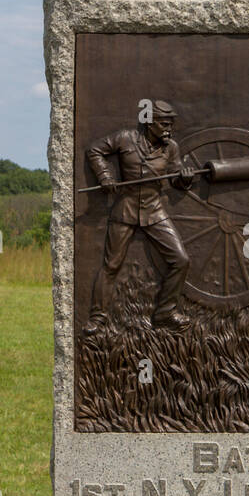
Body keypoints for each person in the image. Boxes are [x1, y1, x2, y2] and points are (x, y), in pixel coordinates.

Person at [84, 101, 194, 332]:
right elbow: (94, 149)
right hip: (126, 208)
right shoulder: (125, 138)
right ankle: (97, 318)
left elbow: (175, 179)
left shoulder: (171, 147)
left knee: (181, 260)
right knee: (111, 265)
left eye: (171, 125)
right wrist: (104, 175)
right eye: (164, 124)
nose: (168, 129)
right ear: (149, 122)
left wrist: (184, 177)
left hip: (155, 209)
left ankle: (166, 312)